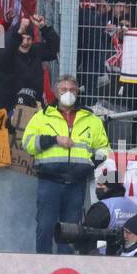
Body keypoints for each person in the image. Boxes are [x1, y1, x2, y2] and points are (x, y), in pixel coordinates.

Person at [22, 74, 109, 254]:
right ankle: (42, 268)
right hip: (49, 181)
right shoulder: (42, 117)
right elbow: (28, 143)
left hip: (77, 183)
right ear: (56, 92)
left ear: (77, 92)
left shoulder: (92, 119)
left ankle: (65, 271)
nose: (68, 93)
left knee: (70, 233)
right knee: (45, 228)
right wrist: (53, 139)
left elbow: (104, 148)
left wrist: (91, 164)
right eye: (64, 89)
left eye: (72, 90)